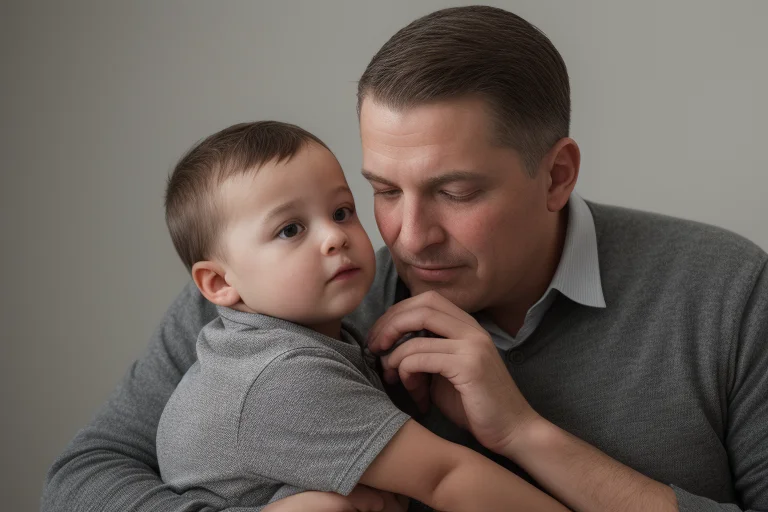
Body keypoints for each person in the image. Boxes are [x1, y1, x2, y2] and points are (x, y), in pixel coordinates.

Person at [43, 6, 768, 512]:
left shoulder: (727, 293)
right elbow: (81, 480)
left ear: (556, 175)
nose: (408, 236)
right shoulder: (263, 298)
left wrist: (525, 434)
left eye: (455, 192)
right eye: (383, 191)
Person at [153, 119, 568, 512]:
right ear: (218, 283)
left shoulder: (289, 341)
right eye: (290, 230)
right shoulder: (281, 377)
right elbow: (445, 477)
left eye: (341, 212)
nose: (335, 237)